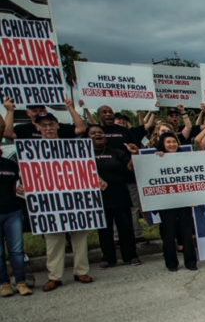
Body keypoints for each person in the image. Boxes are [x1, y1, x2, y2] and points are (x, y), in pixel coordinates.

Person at [28, 112, 95, 291]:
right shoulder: (31, 149)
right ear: (37, 128)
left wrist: (96, 179)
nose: (48, 128)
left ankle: (81, 271)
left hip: (74, 199)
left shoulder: (73, 147)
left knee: (80, 236)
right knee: (53, 240)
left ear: (57, 125)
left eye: (51, 124)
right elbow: (28, 174)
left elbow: (86, 167)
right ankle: (54, 276)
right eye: (43, 125)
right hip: (49, 202)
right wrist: (22, 186)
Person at [88, 125, 143, 269]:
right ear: (87, 138)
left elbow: (130, 167)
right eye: (93, 133)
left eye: (100, 132)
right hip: (98, 199)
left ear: (105, 137)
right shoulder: (84, 156)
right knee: (104, 230)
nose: (97, 135)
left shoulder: (117, 152)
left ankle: (131, 255)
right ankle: (108, 258)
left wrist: (134, 154)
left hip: (120, 196)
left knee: (126, 227)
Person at [154, 132, 198, 272]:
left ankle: (191, 261)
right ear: (163, 144)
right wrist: (157, 159)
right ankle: (171, 263)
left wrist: (195, 196)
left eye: (174, 142)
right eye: (168, 142)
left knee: (186, 233)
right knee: (169, 233)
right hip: (166, 203)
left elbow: (192, 177)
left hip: (184, 201)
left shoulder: (185, 158)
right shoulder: (155, 158)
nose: (172, 144)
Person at [0, 134, 31, 296]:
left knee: (17, 250)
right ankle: (4, 284)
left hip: (12, 212)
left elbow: (14, 188)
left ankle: (20, 282)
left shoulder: (10, 165)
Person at [3, 97, 87, 140]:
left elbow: (81, 128)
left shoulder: (60, 127)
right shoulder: (22, 129)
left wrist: (70, 108)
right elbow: (7, 133)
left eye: (41, 110)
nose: (48, 128)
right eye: (34, 110)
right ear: (27, 113)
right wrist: (10, 111)